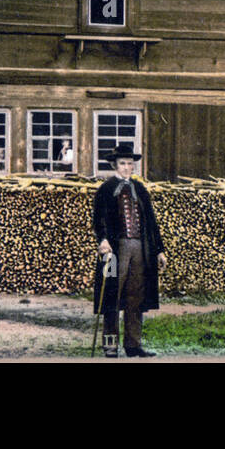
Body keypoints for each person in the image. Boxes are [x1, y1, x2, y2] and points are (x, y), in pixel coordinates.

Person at [91, 143, 167, 358]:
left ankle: (133, 345)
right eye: (123, 163)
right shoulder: (106, 189)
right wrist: (103, 240)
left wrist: (159, 250)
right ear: (115, 165)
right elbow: (99, 218)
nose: (127, 167)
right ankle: (110, 345)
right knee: (111, 296)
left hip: (140, 249)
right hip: (116, 249)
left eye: (130, 164)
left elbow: (151, 222)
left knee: (136, 297)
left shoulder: (140, 189)